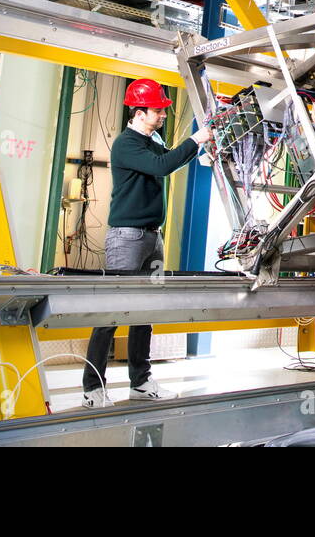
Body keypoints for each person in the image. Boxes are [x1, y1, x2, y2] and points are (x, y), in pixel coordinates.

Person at [81, 78, 212, 407]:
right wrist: (194, 139)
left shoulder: (151, 140)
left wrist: (199, 151)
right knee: (110, 312)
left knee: (146, 312)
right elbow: (163, 166)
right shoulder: (127, 144)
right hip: (127, 237)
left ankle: (140, 382)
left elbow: (170, 160)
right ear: (138, 113)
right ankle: (92, 389)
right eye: (157, 110)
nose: (163, 115)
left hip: (152, 238)